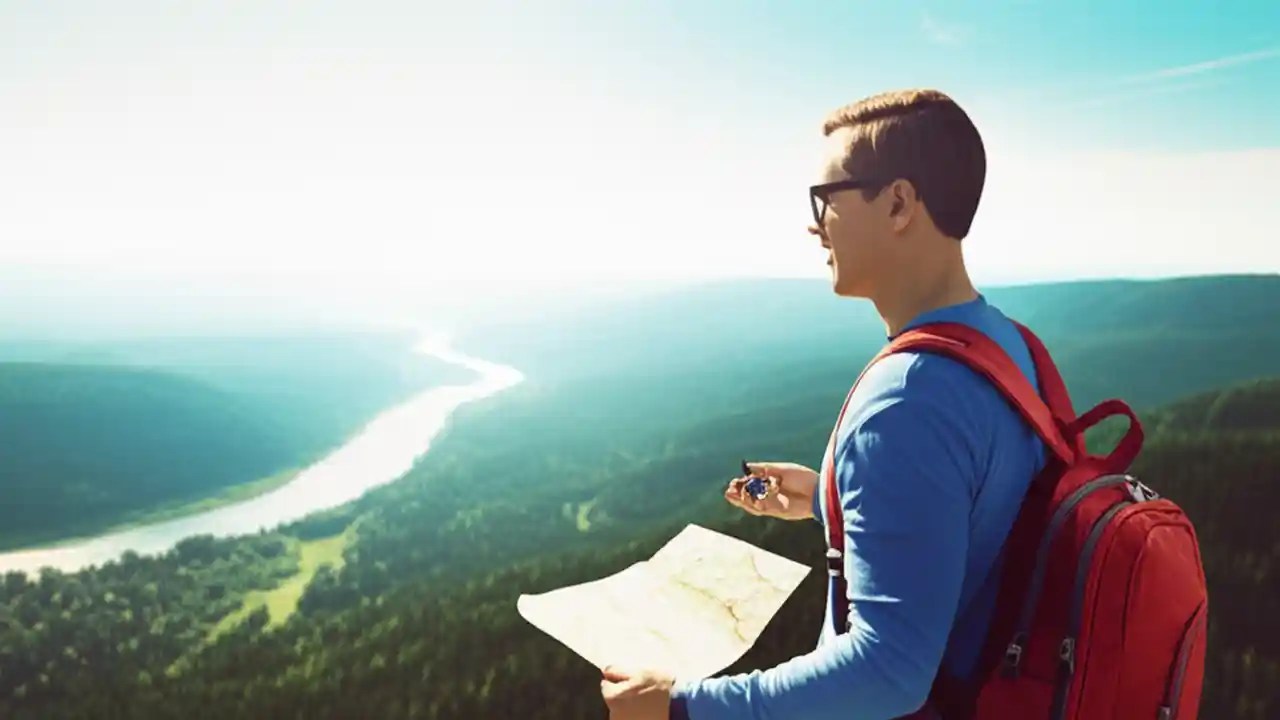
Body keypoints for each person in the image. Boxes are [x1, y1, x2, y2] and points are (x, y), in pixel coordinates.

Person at [600, 88, 1048, 719]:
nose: (814, 224)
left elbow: (888, 670)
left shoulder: (908, 400)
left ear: (897, 204)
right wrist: (826, 498)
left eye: (825, 199)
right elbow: (972, 523)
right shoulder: (1004, 343)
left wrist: (681, 707)